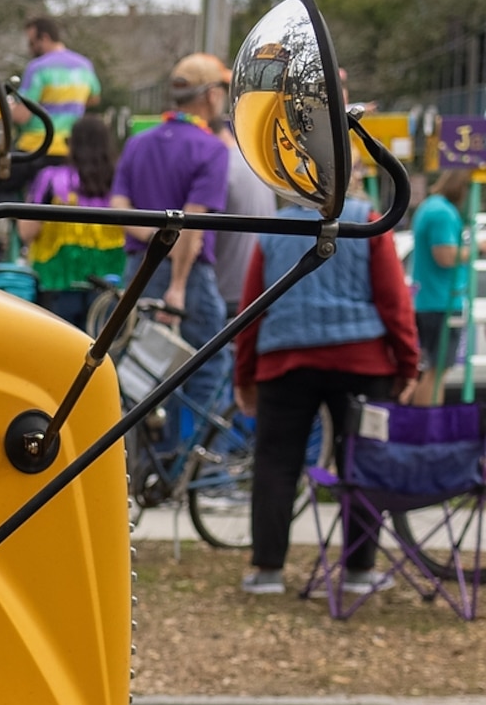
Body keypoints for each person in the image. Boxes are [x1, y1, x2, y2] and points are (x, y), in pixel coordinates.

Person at [232, 191, 421, 598]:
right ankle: (358, 570)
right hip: (361, 359)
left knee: (276, 464)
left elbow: (252, 309)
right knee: (362, 464)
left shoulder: (274, 230)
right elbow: (394, 301)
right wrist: (408, 364)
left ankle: (268, 571)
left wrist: (244, 375)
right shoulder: (368, 221)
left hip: (284, 360)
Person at [109, 56, 235, 434]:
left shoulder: (138, 142)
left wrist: (154, 235)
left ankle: (135, 465)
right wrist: (177, 285)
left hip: (138, 270)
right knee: (210, 362)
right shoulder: (211, 149)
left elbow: (118, 206)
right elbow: (192, 225)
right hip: (187, 274)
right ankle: (185, 460)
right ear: (211, 96)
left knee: (139, 370)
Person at [25, 114, 124, 331]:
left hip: (58, 282)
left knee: (61, 353)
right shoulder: (119, 180)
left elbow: (27, 231)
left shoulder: (51, 178)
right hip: (110, 284)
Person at [410, 165, 472, 403]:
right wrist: (477, 247)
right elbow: (445, 256)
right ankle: (427, 427)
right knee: (436, 372)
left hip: (431, 300)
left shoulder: (431, 207)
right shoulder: (443, 213)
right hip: (442, 301)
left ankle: (426, 425)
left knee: (432, 372)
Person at [18, 15, 99, 143]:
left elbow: (22, 116)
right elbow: (94, 98)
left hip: (37, 145)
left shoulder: (37, 68)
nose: (30, 48)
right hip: (70, 145)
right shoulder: (85, 65)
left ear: (44, 38)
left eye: (31, 42)